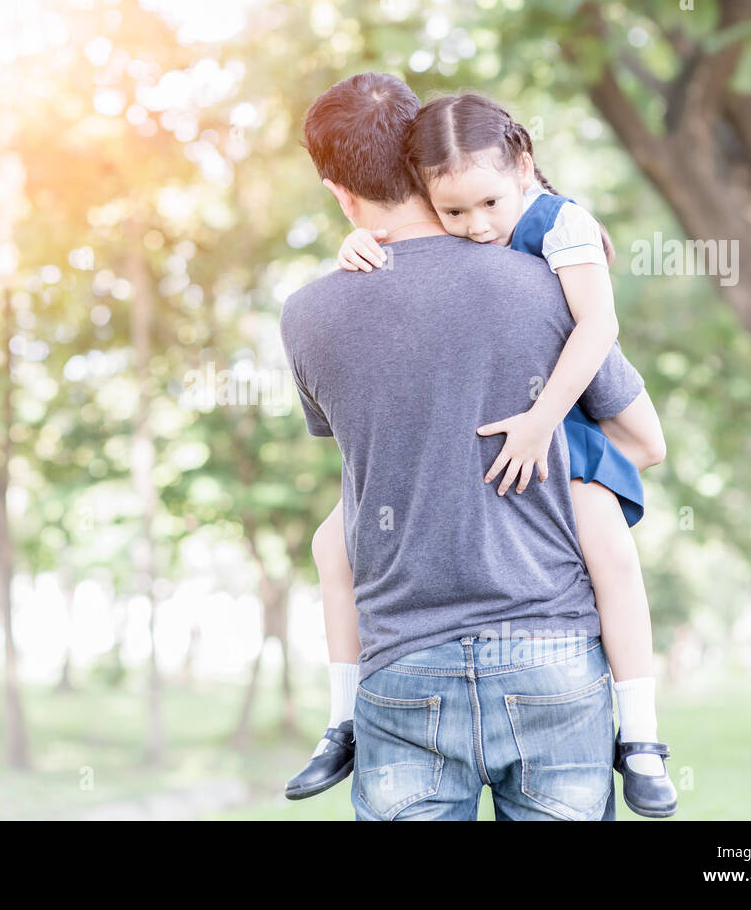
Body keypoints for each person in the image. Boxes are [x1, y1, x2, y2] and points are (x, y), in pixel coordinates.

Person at [279, 73, 671, 820]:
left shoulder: (309, 314)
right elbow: (643, 438)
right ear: (417, 162)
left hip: (401, 662)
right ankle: (646, 741)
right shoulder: (541, 285)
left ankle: (340, 723)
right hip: (551, 652)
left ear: (337, 189)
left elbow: (374, 452)